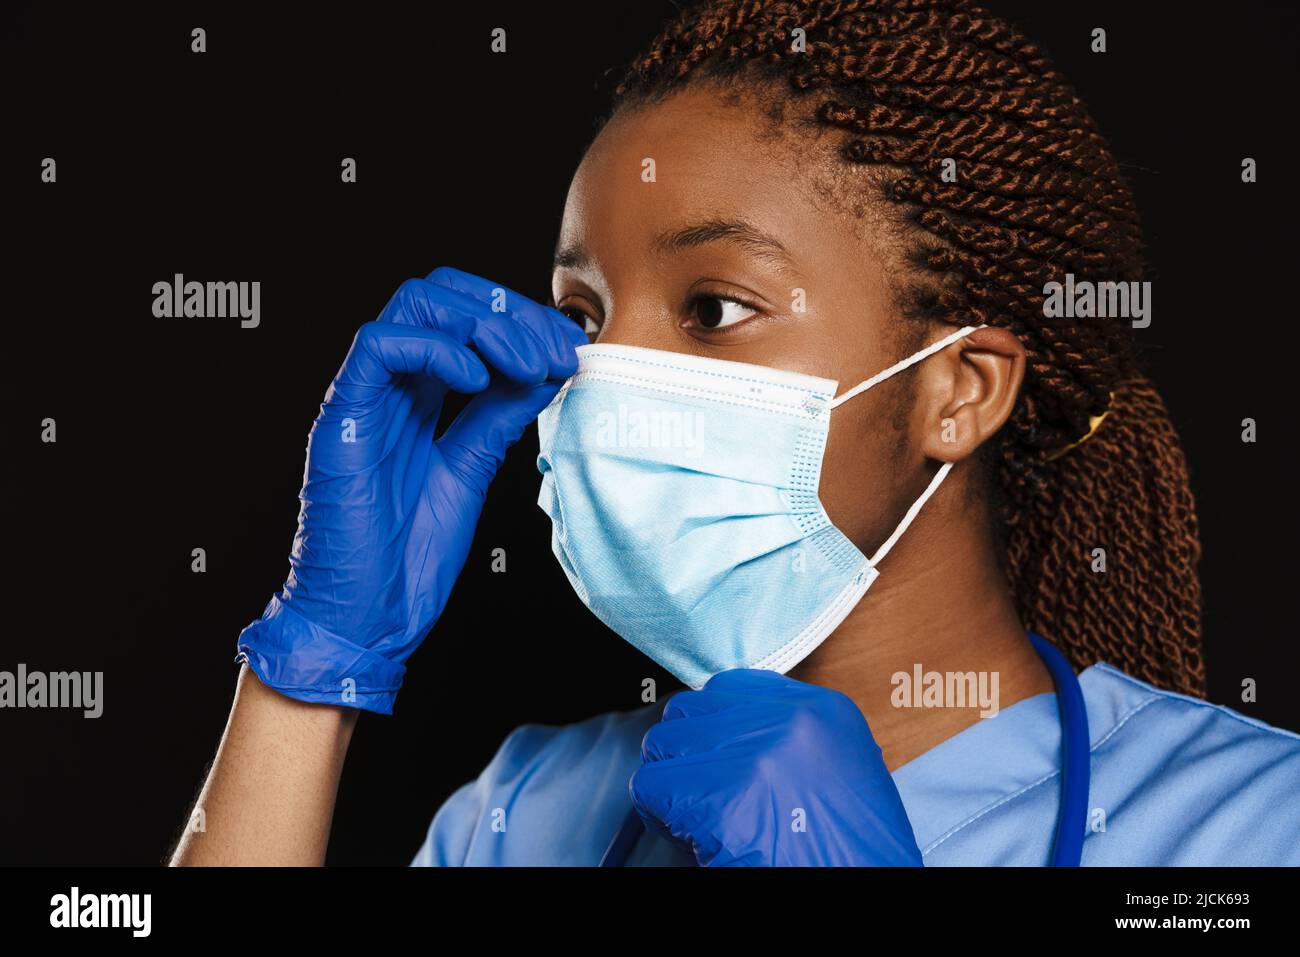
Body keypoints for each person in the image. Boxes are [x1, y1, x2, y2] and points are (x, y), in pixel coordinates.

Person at [169, 0, 1300, 867]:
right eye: (583, 316)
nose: (612, 378)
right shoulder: (526, 813)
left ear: (958, 388)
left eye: (711, 310)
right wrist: (312, 667)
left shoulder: (1244, 824)